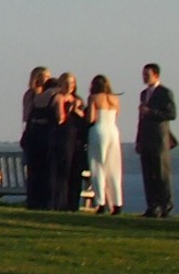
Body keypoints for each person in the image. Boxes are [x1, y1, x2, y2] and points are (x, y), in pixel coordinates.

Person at [137, 63, 178, 218]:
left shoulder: (164, 92)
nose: (144, 77)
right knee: (148, 173)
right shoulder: (143, 94)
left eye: (147, 74)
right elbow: (141, 118)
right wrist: (139, 139)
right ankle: (152, 206)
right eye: (143, 74)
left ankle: (166, 206)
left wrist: (151, 112)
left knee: (162, 174)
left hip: (159, 138)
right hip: (146, 138)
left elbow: (171, 113)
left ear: (156, 75)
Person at [86, 74, 125, 215]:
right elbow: (117, 114)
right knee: (114, 168)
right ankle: (117, 202)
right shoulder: (115, 99)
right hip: (113, 131)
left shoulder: (94, 98)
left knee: (98, 167)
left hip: (99, 130)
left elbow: (91, 118)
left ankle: (101, 202)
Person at [20, 66, 55, 209]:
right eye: (44, 76)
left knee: (44, 168)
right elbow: (26, 115)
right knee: (33, 168)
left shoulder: (50, 93)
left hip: (44, 133)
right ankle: (34, 199)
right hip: (33, 132)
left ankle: (43, 199)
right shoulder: (31, 94)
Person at [55, 72, 90, 211]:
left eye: (72, 83)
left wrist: (77, 110)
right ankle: (61, 202)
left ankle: (73, 203)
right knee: (63, 171)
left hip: (77, 139)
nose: (70, 86)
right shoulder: (58, 98)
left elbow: (85, 119)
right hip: (63, 138)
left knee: (76, 172)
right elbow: (59, 120)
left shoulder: (78, 100)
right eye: (66, 83)